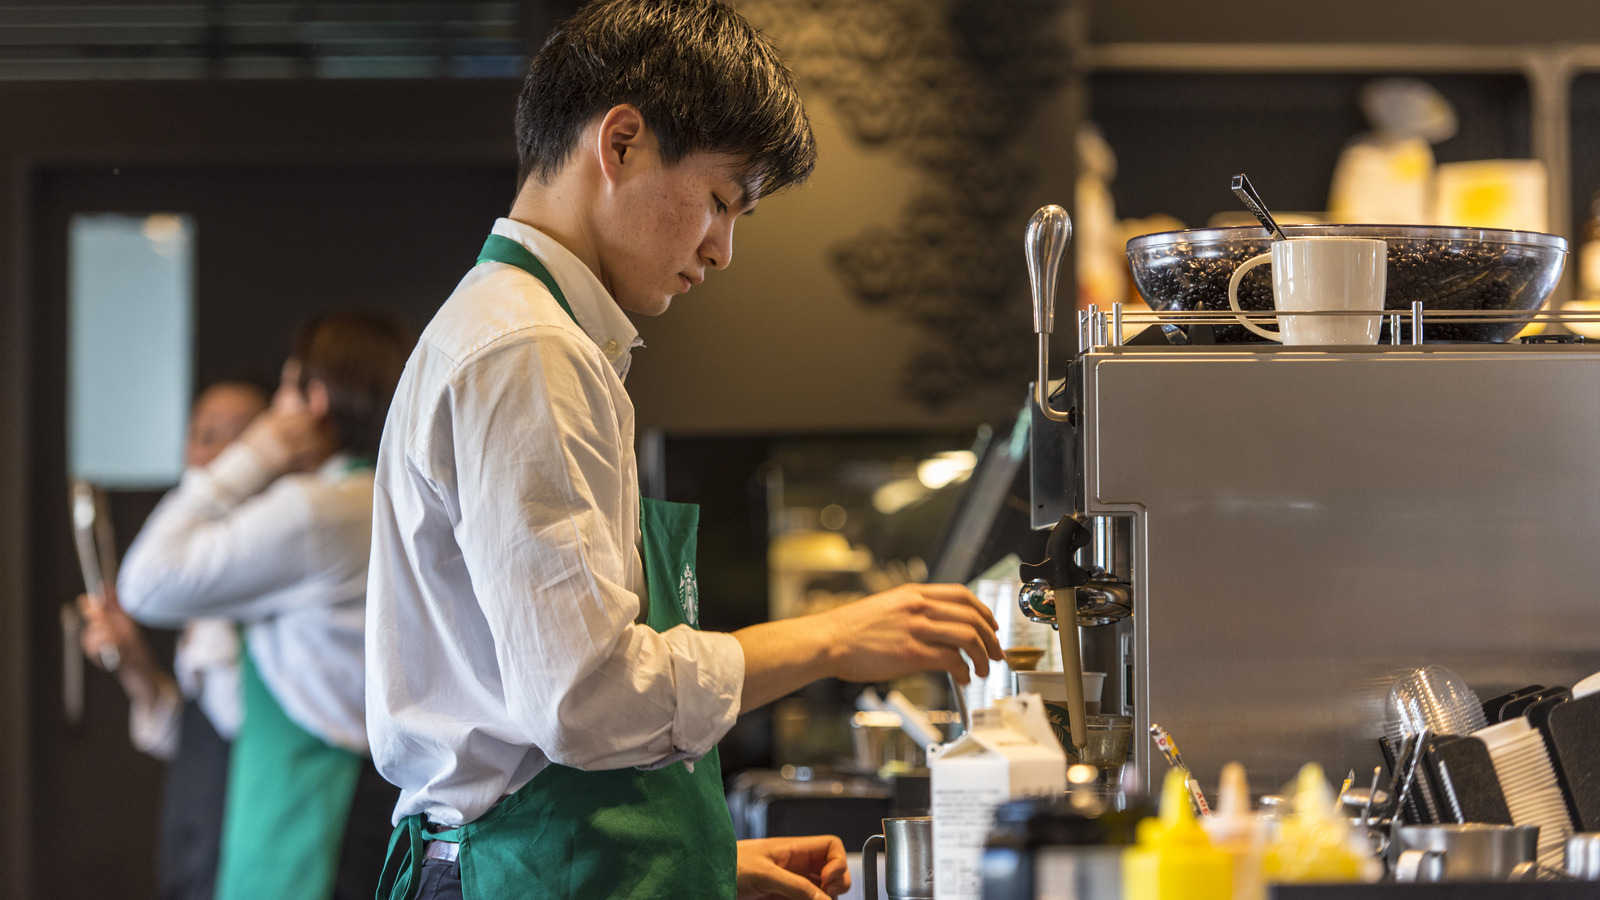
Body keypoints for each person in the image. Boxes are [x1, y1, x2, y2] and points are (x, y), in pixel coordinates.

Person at [365, 3, 1004, 899]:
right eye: (718, 201)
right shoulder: (528, 348)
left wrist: (703, 865)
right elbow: (583, 698)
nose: (724, 249)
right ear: (620, 144)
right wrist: (831, 638)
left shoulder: (535, 334)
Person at [119, 312, 415, 900]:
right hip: (367, 798)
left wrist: (253, 455)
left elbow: (147, 581)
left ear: (316, 402)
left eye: (286, 388)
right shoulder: (391, 497)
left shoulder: (315, 512)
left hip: (309, 811)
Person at [77, 380, 265, 900]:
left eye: (238, 439)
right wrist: (134, 662)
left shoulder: (276, 561)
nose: (211, 454)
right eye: (201, 435)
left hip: (261, 844)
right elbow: (191, 734)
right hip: (194, 843)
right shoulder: (200, 573)